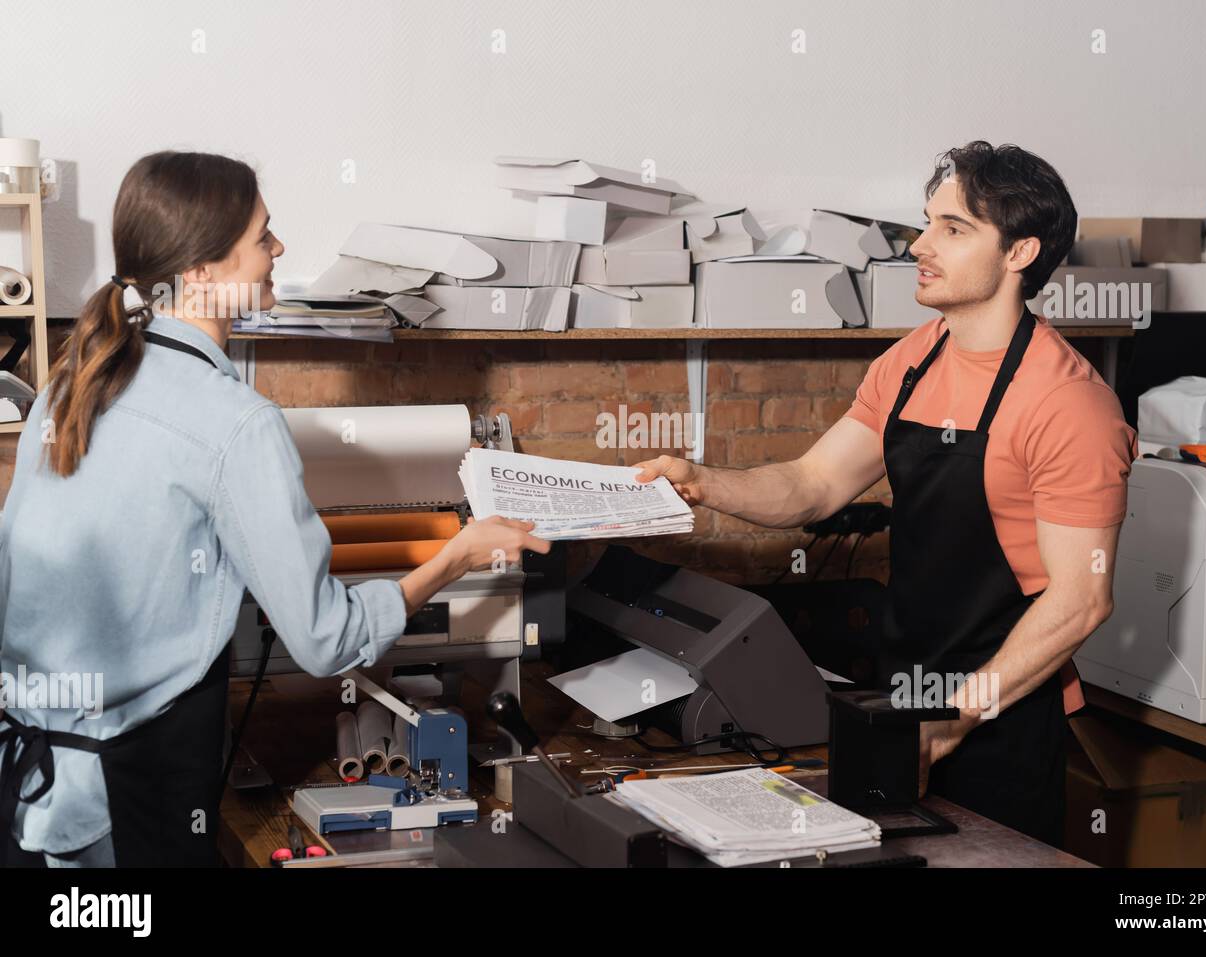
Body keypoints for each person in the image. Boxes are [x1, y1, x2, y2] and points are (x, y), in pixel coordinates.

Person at [0, 151, 549, 867]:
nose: (279, 249)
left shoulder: (72, 378)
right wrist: (457, 555)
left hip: (28, 794)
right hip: (126, 808)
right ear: (200, 272)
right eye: (263, 235)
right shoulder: (237, 422)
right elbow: (325, 640)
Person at [636, 141, 1137, 846]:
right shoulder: (912, 360)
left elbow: (1080, 600)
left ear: (1020, 253)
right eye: (926, 222)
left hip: (1002, 715)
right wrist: (704, 481)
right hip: (905, 694)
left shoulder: (1069, 404)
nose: (921, 245)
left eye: (953, 229)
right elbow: (813, 484)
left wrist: (955, 717)